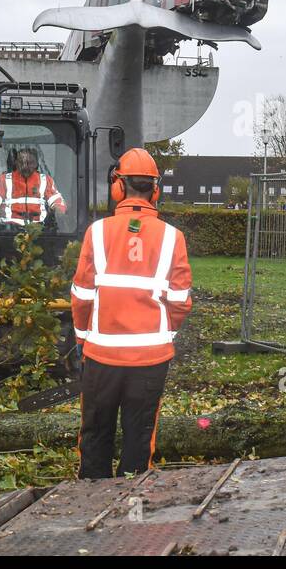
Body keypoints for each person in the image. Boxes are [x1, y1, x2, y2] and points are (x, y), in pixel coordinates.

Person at [69, 147, 192, 479]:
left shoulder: (96, 233)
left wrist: (83, 340)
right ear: (155, 190)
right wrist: (164, 335)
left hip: (101, 358)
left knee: (95, 435)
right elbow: (180, 301)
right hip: (151, 361)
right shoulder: (173, 238)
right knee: (139, 439)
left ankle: (91, 505)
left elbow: (81, 296)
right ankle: (131, 514)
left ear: (118, 188)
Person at [0, 147, 66, 228]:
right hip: (9, 229)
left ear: (36, 164)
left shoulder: (45, 180)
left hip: (39, 229)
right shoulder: (4, 179)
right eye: (21, 162)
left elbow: (56, 199)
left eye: (30, 163)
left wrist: (59, 210)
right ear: (16, 163)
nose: (25, 166)